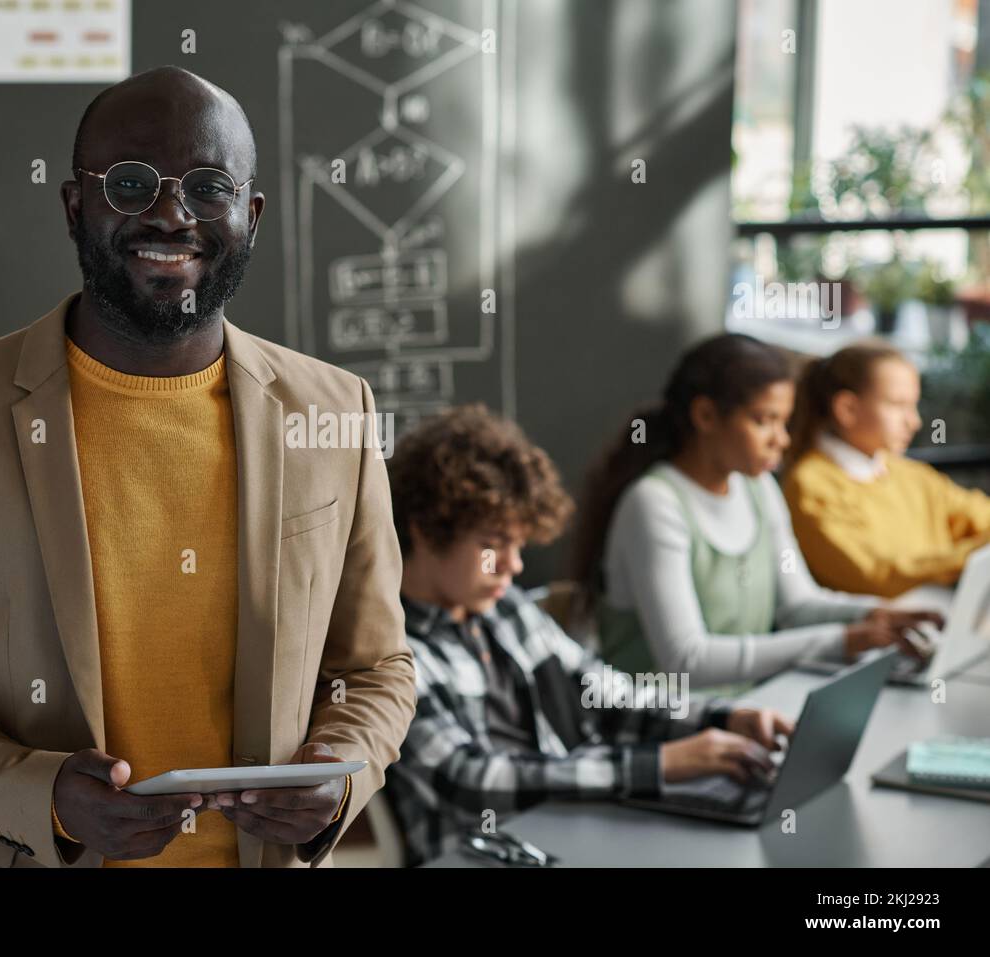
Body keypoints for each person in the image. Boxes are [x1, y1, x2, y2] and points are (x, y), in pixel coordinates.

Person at [0, 66, 415, 868]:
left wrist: (337, 778)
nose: (171, 214)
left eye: (208, 187)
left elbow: (376, 666)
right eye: (132, 183)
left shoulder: (335, 411)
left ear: (251, 214)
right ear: (76, 206)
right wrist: (41, 794)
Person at [383, 404, 795, 867]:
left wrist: (722, 718)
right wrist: (657, 766)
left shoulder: (504, 609)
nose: (514, 565)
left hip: (568, 829)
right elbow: (470, 779)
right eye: (493, 543)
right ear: (424, 530)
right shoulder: (390, 652)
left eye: (519, 545)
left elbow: (607, 695)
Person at [569, 334, 938, 690]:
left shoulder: (758, 489)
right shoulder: (654, 504)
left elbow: (797, 605)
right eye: (764, 421)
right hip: (661, 731)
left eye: (784, 421)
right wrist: (841, 640)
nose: (783, 440)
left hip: (742, 716)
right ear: (706, 415)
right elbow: (686, 660)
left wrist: (876, 614)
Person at [782, 340, 990, 597]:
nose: (914, 422)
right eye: (897, 405)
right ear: (847, 409)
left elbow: (979, 513)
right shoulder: (810, 485)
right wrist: (972, 554)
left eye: (913, 405)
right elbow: (877, 575)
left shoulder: (906, 472)